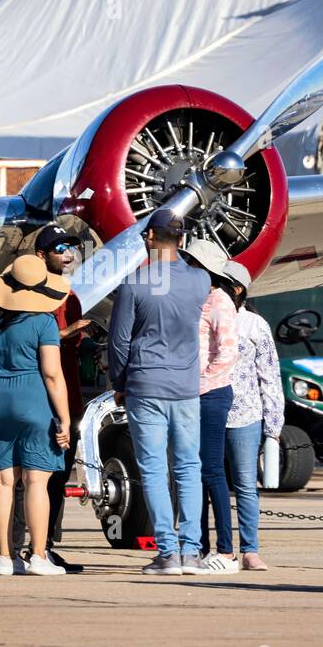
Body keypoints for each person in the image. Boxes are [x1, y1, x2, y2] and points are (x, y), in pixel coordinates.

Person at [108, 208, 211, 575]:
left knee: (152, 469)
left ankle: (167, 552)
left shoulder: (134, 284)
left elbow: (119, 342)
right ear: (181, 239)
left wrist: (119, 384)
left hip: (145, 383)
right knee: (188, 467)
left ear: (150, 237)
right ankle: (192, 552)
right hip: (185, 386)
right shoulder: (201, 281)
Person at [0, 255, 72, 577]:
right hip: (34, 397)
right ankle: (37, 556)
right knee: (36, 480)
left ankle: (5, 558)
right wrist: (63, 418)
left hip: (0, 399)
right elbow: (52, 374)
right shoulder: (44, 322)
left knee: (4, 480)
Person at [6, 224, 88, 573]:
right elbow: (33, 343)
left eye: (71, 247)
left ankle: (46, 546)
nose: (68, 254)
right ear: (41, 255)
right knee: (28, 477)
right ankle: (19, 548)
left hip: (66, 397)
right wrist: (70, 331)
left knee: (57, 476)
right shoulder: (24, 295)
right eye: (60, 248)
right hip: (39, 400)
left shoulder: (70, 296)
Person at [180, 239, 239, 573]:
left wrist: (195, 385)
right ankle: (198, 546)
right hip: (189, 394)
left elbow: (227, 354)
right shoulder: (192, 299)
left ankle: (226, 551)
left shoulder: (219, 301)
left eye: (192, 262)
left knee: (212, 470)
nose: (186, 266)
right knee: (192, 470)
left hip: (211, 394)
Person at [221, 260, 281, 571]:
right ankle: (217, 548)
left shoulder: (255, 325)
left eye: (219, 283)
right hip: (210, 412)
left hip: (246, 416)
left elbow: (269, 374)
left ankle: (250, 549)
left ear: (237, 289)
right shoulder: (203, 318)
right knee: (209, 481)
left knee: (245, 483)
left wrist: (273, 423)